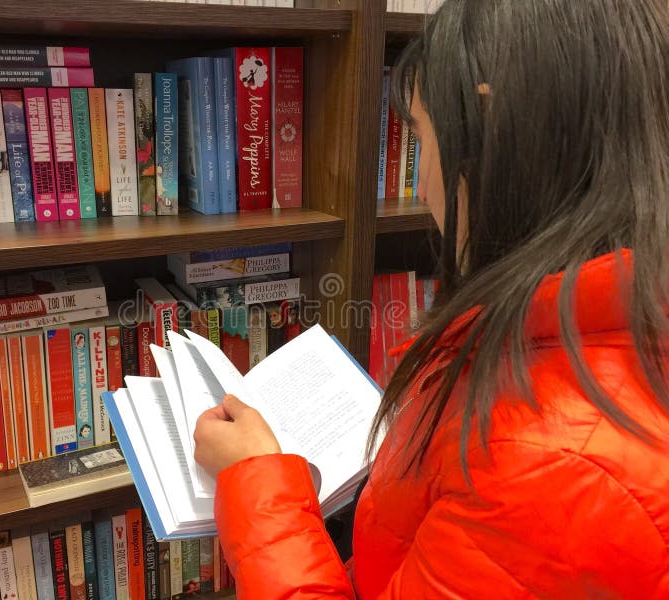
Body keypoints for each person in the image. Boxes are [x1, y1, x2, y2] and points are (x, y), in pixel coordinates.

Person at [193, 0, 669, 597]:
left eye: (421, 138)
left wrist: (252, 479)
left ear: (492, 138)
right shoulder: (571, 327)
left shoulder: (550, 474)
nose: (419, 186)